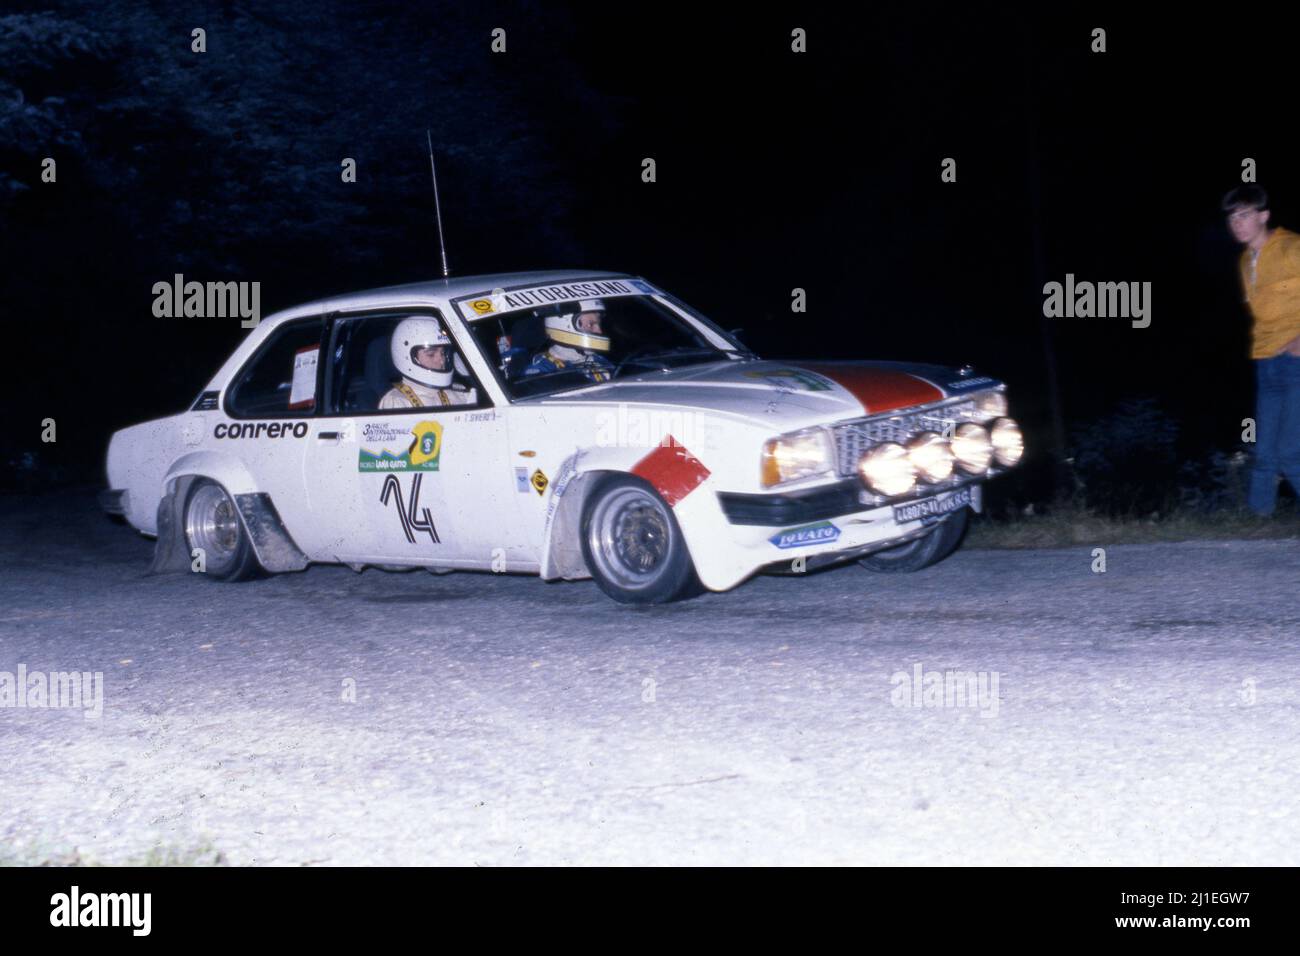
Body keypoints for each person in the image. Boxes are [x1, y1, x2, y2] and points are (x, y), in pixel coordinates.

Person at [1224, 185, 1300, 515]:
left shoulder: (1291, 247)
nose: (1236, 224)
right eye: (1232, 218)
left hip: (1296, 360)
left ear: (1264, 215)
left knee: (1289, 451)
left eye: (1244, 215)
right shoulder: (1244, 262)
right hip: (1266, 362)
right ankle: (1257, 523)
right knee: (1264, 451)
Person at [380, 316, 477, 408]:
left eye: (443, 353)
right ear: (406, 357)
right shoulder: (396, 401)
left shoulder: (459, 394)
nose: (441, 360)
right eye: (431, 354)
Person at [522, 299, 616, 382]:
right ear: (564, 325)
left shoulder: (599, 361)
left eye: (598, 324)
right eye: (590, 324)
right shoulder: (541, 373)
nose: (599, 331)